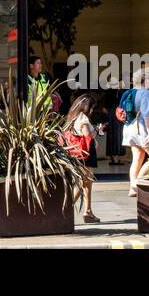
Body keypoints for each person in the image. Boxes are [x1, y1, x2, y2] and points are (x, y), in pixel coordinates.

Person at [62, 94, 99, 223]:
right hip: (84, 153)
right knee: (84, 181)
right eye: (92, 107)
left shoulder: (72, 116)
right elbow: (87, 135)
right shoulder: (83, 118)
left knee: (87, 181)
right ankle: (66, 208)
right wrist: (97, 130)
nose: (93, 110)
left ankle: (88, 211)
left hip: (76, 153)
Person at [123, 69, 149, 196]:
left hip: (129, 128)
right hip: (142, 128)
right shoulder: (145, 93)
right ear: (145, 80)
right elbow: (147, 114)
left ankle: (132, 188)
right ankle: (137, 183)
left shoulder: (129, 92)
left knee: (137, 159)